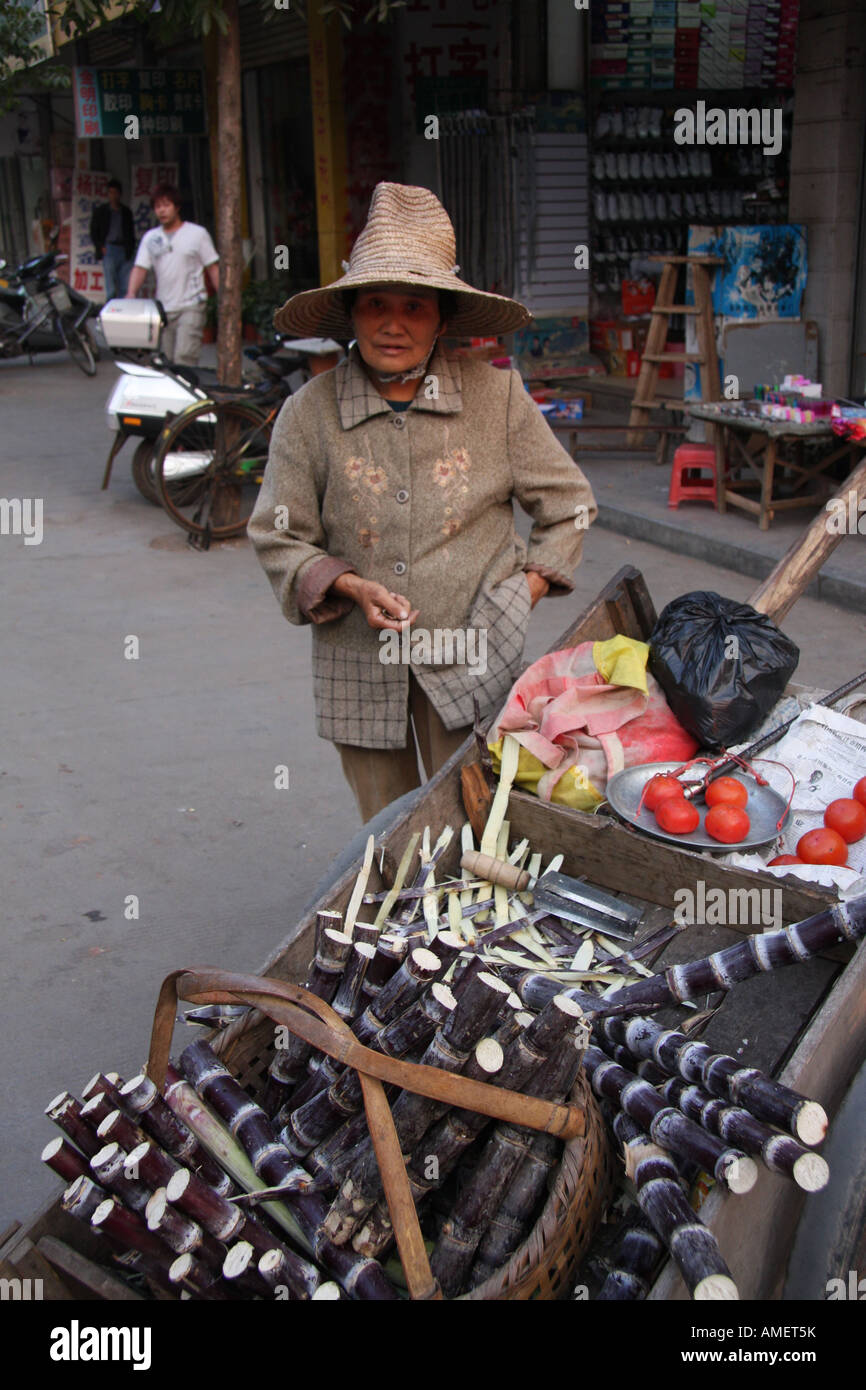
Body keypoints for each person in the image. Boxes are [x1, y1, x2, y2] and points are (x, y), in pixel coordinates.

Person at [247, 182, 598, 823]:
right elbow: (278, 533)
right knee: (390, 825)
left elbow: (569, 503)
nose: (393, 323)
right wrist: (350, 585)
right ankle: (398, 918)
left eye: (414, 305)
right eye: (375, 303)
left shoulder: (498, 399)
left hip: (473, 651)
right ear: (351, 312)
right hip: (358, 657)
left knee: (476, 815)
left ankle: (466, 923)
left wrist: (525, 591)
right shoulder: (309, 413)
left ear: (442, 316)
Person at [125, 183, 219, 365]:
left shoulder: (197, 234)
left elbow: (213, 267)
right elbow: (140, 268)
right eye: (158, 206)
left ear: (177, 207)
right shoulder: (151, 238)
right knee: (165, 360)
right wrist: (131, 292)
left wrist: (225, 296)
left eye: (166, 205)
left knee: (185, 357)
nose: (162, 211)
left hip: (192, 305)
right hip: (164, 308)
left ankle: (188, 392)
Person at [90, 179, 135, 300]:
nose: (113, 196)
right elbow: (94, 231)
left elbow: (131, 232)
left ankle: (123, 310)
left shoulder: (126, 212)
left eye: (115, 193)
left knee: (124, 284)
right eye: (110, 193)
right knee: (110, 284)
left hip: (123, 248)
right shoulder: (101, 211)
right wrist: (100, 246)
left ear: (120, 194)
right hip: (109, 248)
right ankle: (111, 310)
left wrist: (130, 249)